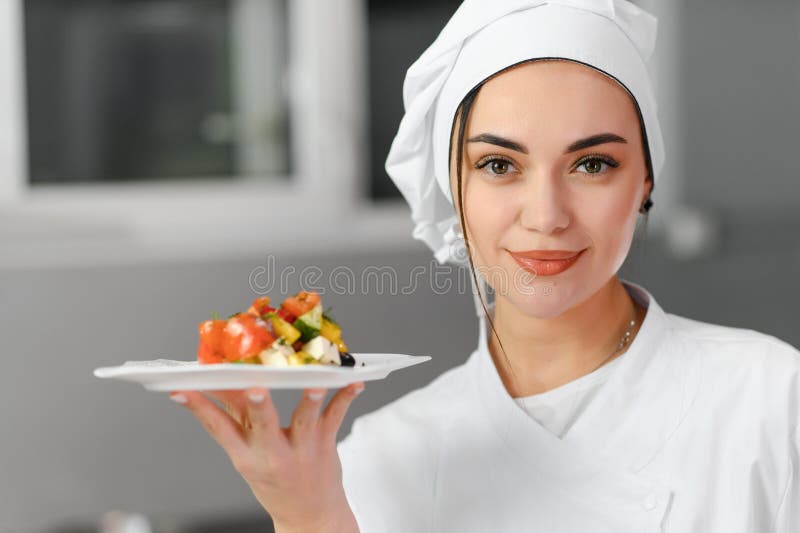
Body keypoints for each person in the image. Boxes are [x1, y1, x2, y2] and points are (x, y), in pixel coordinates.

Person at [169, 1, 800, 531]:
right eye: (500, 166)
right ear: (453, 188)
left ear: (645, 182)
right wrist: (306, 516)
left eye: (592, 164)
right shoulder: (380, 458)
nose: (546, 215)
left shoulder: (772, 399)